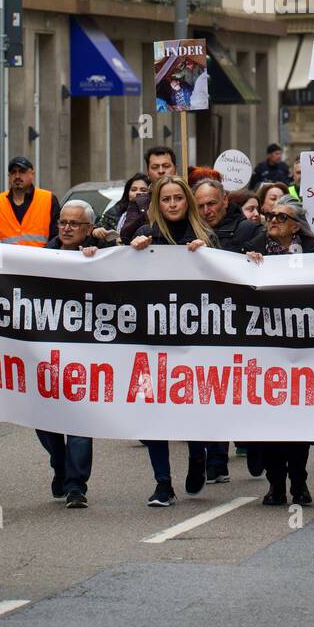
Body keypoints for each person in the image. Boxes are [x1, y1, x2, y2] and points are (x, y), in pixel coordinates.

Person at [130, 177, 226, 503]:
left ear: (187, 202)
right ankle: (162, 482)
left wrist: (207, 256)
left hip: (194, 340)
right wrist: (134, 252)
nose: (172, 204)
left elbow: (224, 284)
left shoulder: (205, 237)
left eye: (178, 199)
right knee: (153, 413)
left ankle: (197, 454)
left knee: (191, 409)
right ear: (157, 203)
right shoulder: (143, 236)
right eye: (166, 199)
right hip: (152, 339)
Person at [245, 199, 314, 505]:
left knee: (298, 422)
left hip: (303, 348)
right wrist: (246, 264)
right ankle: (275, 483)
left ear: (296, 226)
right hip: (266, 350)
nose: (273, 220)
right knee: (269, 422)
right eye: (270, 215)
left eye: (282, 216)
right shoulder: (252, 251)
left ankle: (299, 481)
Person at [36, 201, 103, 507]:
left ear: (88, 229)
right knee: (44, 418)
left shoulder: (102, 254)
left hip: (85, 350)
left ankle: (76, 484)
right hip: (46, 349)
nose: (65, 228)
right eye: (62, 222)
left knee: (79, 419)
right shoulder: (40, 256)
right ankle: (59, 463)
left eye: (74, 224)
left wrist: (99, 252)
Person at [0, 156, 59, 246]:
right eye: (13, 172)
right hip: (6, 259)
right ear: (9, 176)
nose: (17, 176)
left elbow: (56, 237)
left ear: (32, 174)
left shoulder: (48, 199)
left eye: (22, 171)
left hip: (39, 259)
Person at [120, 148, 179, 242]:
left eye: (166, 166)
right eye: (155, 167)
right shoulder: (139, 201)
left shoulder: (189, 198)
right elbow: (125, 236)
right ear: (147, 172)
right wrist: (146, 217)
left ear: (175, 169)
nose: (161, 171)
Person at [193, 179, 258, 253]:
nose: (206, 211)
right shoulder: (191, 232)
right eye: (200, 206)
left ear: (225, 201)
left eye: (211, 203)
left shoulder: (250, 230)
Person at [93, 173, 149, 243]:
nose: (137, 193)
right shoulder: (115, 211)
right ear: (127, 192)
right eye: (133, 190)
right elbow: (97, 229)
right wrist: (96, 231)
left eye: (143, 190)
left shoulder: (154, 214)